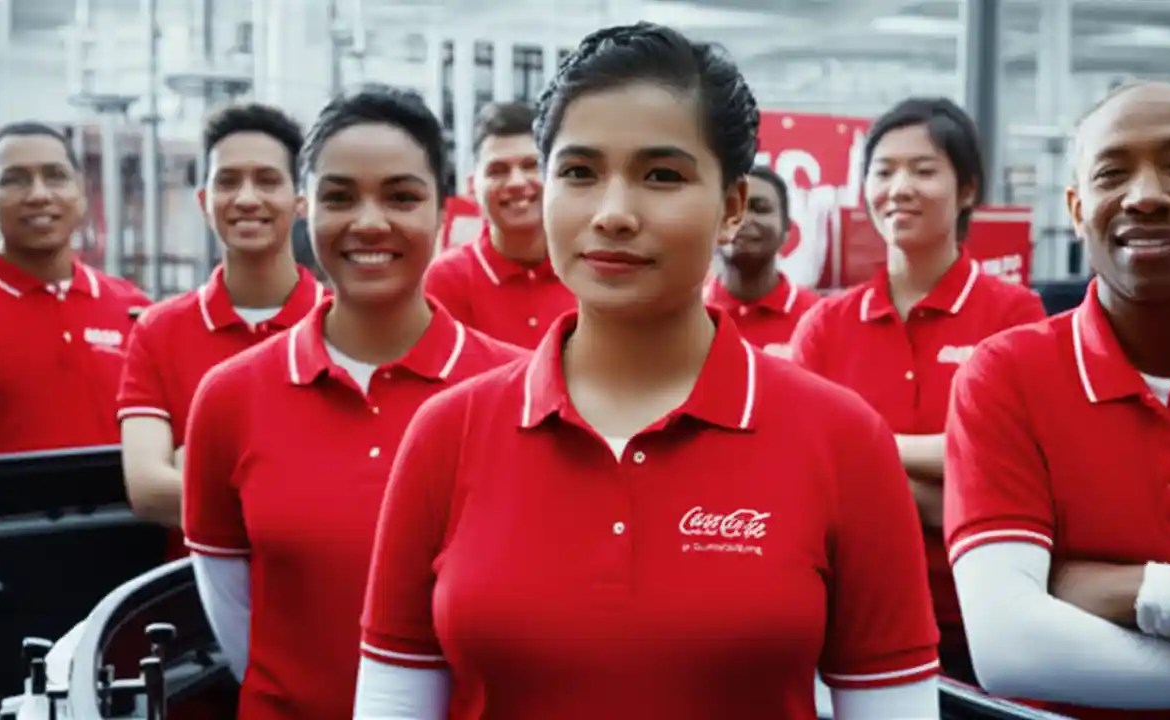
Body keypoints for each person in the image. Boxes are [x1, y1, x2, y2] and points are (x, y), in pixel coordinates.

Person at [355, 23, 939, 719]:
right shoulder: (448, 435)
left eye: (662, 175)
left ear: (731, 207)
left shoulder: (841, 440)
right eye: (578, 173)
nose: (613, 214)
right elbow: (393, 701)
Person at [181, 86, 523, 720]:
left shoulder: (517, 392)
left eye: (401, 196)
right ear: (306, 209)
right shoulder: (230, 397)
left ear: (443, 213)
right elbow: (234, 617)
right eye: (340, 197)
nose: (370, 222)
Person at [945, 79, 1170, 718]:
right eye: (1112, 173)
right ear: (1076, 207)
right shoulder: (1006, 376)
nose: (1144, 197)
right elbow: (1012, 650)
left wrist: (1149, 590)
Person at [790, 97, 1045, 681]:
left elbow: (1020, 468)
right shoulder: (825, 328)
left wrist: (870, 456)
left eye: (923, 170)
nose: (899, 187)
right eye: (883, 171)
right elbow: (803, 476)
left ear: (968, 190)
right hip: (851, 622)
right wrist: (945, 479)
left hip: (980, 625)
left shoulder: (1015, 314)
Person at [117, 103, 324, 541]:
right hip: (194, 592)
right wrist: (303, 496)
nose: (247, 198)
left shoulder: (342, 320)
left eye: (268, 180)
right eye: (227, 181)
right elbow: (149, 490)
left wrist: (195, 466)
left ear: (300, 201)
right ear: (203, 201)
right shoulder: (159, 330)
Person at [0, 121, 150, 455]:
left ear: (81, 193)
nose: (39, 195)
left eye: (55, 176)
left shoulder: (135, 310)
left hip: (123, 508)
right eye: (15, 180)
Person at [424, 101, 575, 347]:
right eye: (498, 170)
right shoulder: (446, 280)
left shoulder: (587, 266)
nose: (516, 182)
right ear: (473, 186)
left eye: (531, 166)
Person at [704, 165, 819, 356]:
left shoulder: (817, 316)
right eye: (731, 208)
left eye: (760, 208)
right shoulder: (683, 315)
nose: (743, 219)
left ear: (786, 229)